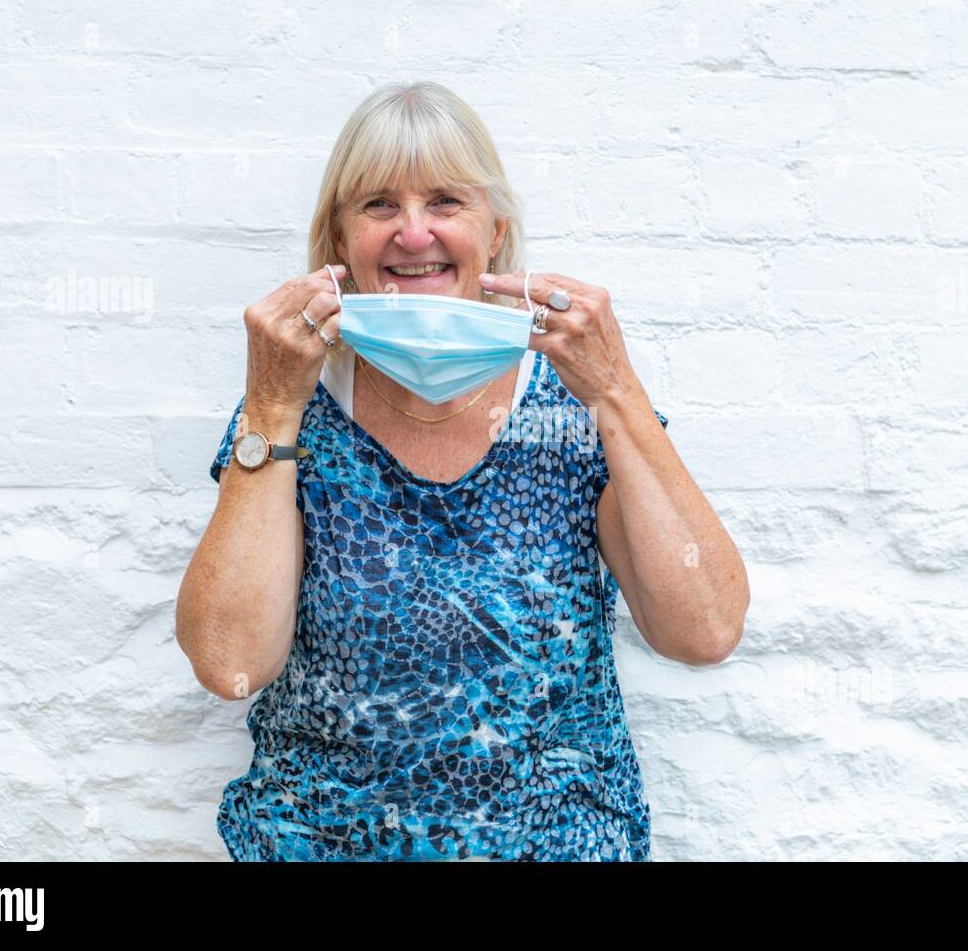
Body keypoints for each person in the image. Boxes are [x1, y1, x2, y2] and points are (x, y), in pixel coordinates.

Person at [175, 81, 749, 861]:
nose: (415, 235)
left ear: (495, 230)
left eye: (445, 201)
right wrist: (270, 406)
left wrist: (616, 392)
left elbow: (704, 631)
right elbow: (230, 664)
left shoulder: (574, 409)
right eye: (379, 205)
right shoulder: (290, 413)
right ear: (339, 240)